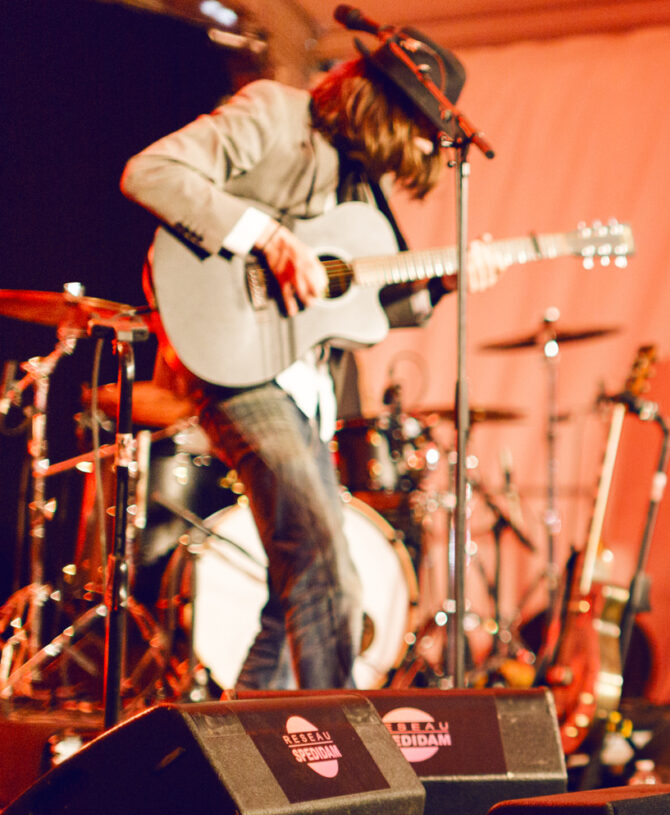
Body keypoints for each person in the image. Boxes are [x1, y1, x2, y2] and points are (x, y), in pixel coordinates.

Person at [120, 28, 501, 690]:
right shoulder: (274, 113)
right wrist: (265, 235)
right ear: (384, 107)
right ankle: (341, 751)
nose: (419, 151)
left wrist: (446, 281)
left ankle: (238, 765)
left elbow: (368, 306)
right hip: (232, 361)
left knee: (301, 583)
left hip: (298, 388)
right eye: (416, 131)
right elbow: (149, 172)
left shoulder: (359, 185)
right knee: (328, 568)